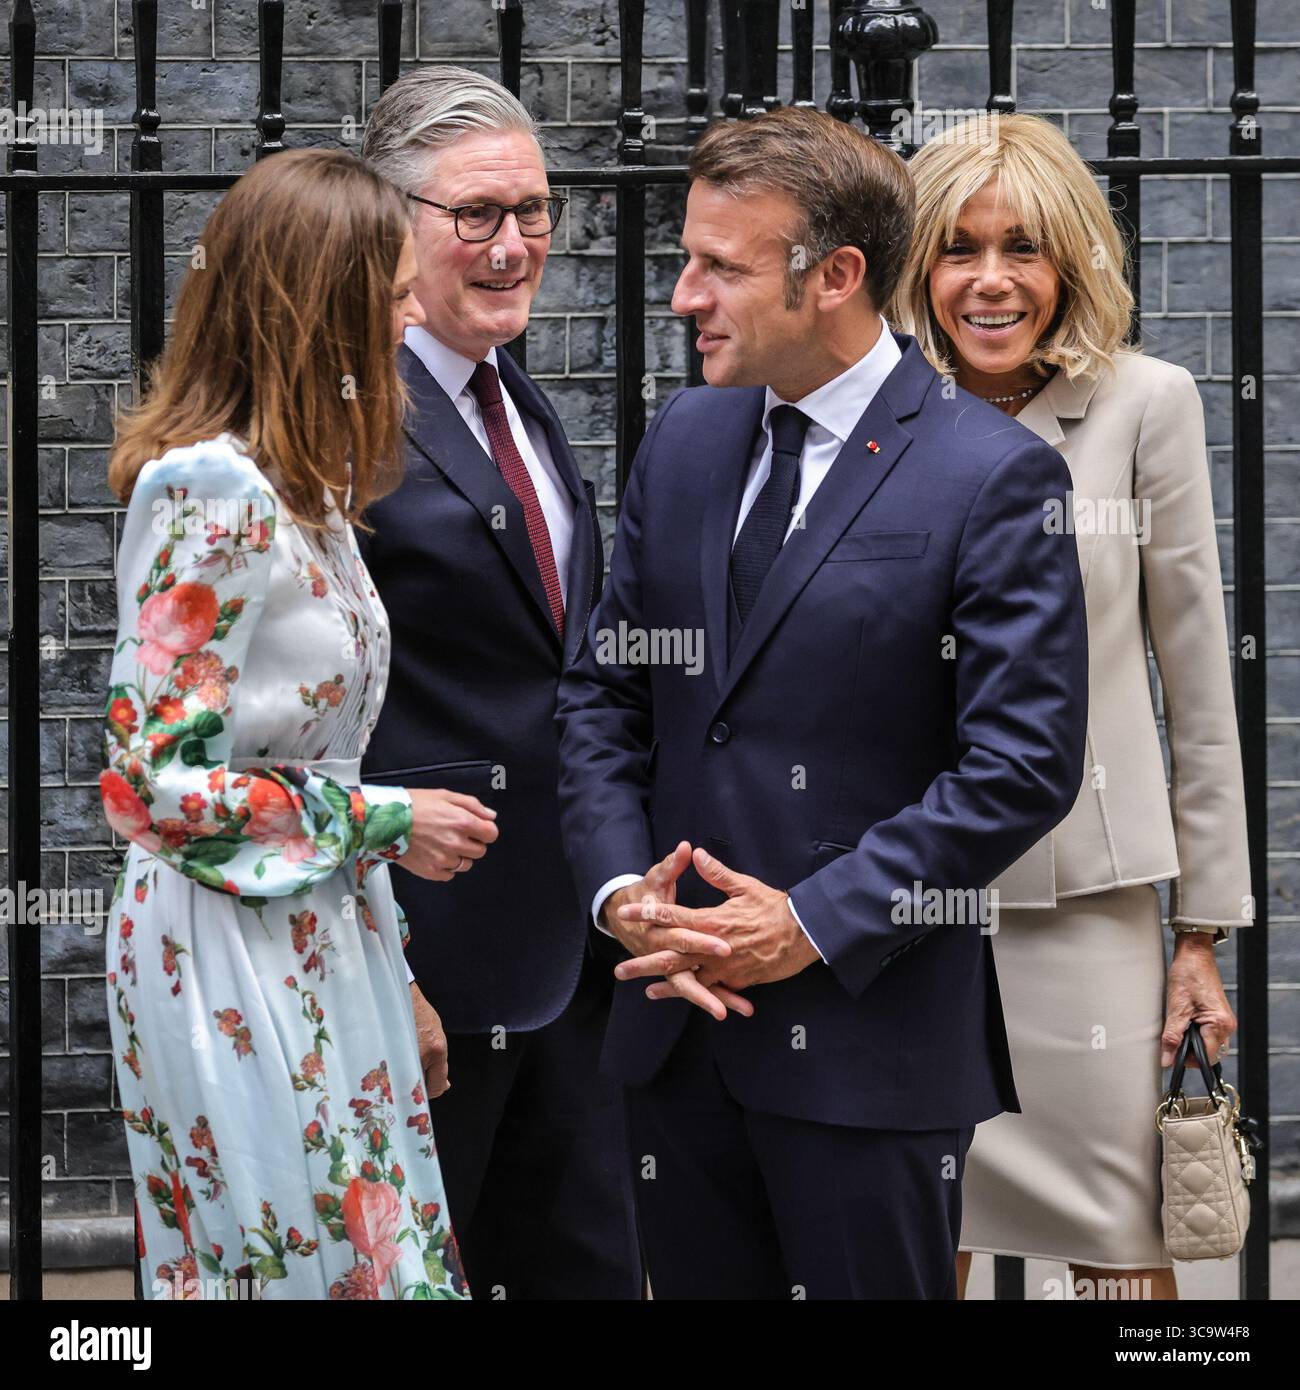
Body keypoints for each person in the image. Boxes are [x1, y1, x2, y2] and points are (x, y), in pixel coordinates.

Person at [554, 106, 1089, 1300]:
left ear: (835, 278)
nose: (684, 295)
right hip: (671, 1031)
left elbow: (1021, 765)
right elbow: (605, 694)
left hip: (866, 1052)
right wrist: (618, 891)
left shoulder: (993, 476)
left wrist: (810, 920)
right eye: (687, 258)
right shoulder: (686, 438)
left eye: (720, 267)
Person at [892, 113, 1251, 1299]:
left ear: (1071, 264)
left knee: (1116, 1238)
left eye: (1024, 249)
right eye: (957, 248)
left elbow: (1194, 678)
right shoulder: (878, 413)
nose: (990, 281)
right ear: (916, 266)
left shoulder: (1146, 403)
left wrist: (1199, 932)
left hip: (1082, 899)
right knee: (907, 1225)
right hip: (899, 893)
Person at [100, 148, 470, 1300]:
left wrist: (394, 965)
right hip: (220, 947)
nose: (415, 318)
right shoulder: (211, 491)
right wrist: (384, 817)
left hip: (325, 939)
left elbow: (316, 755)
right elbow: (149, 783)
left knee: (373, 1264)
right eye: (397, 295)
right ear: (328, 311)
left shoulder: (310, 497)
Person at [357, 66, 640, 1300]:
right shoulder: (349, 412)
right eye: (476, 214)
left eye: (533, 210)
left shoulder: (518, 398)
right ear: (387, 221)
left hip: (569, 951)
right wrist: (387, 958)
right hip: (427, 955)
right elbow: (308, 715)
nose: (514, 243)